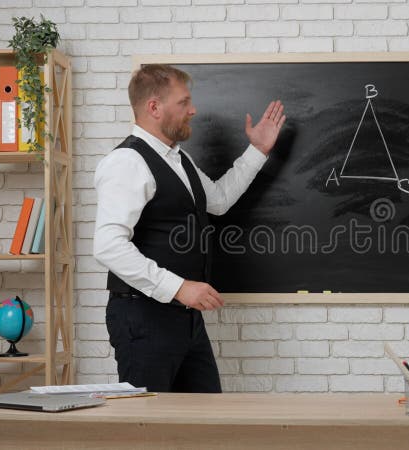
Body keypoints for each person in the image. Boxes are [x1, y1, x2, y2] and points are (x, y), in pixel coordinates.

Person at [93, 64, 286, 393]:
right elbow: (108, 246)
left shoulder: (179, 160)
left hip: (185, 319)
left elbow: (220, 200)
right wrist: (180, 288)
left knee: (205, 421)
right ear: (155, 107)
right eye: (184, 102)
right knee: (147, 429)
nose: (193, 109)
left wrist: (258, 150)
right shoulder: (127, 162)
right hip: (143, 318)